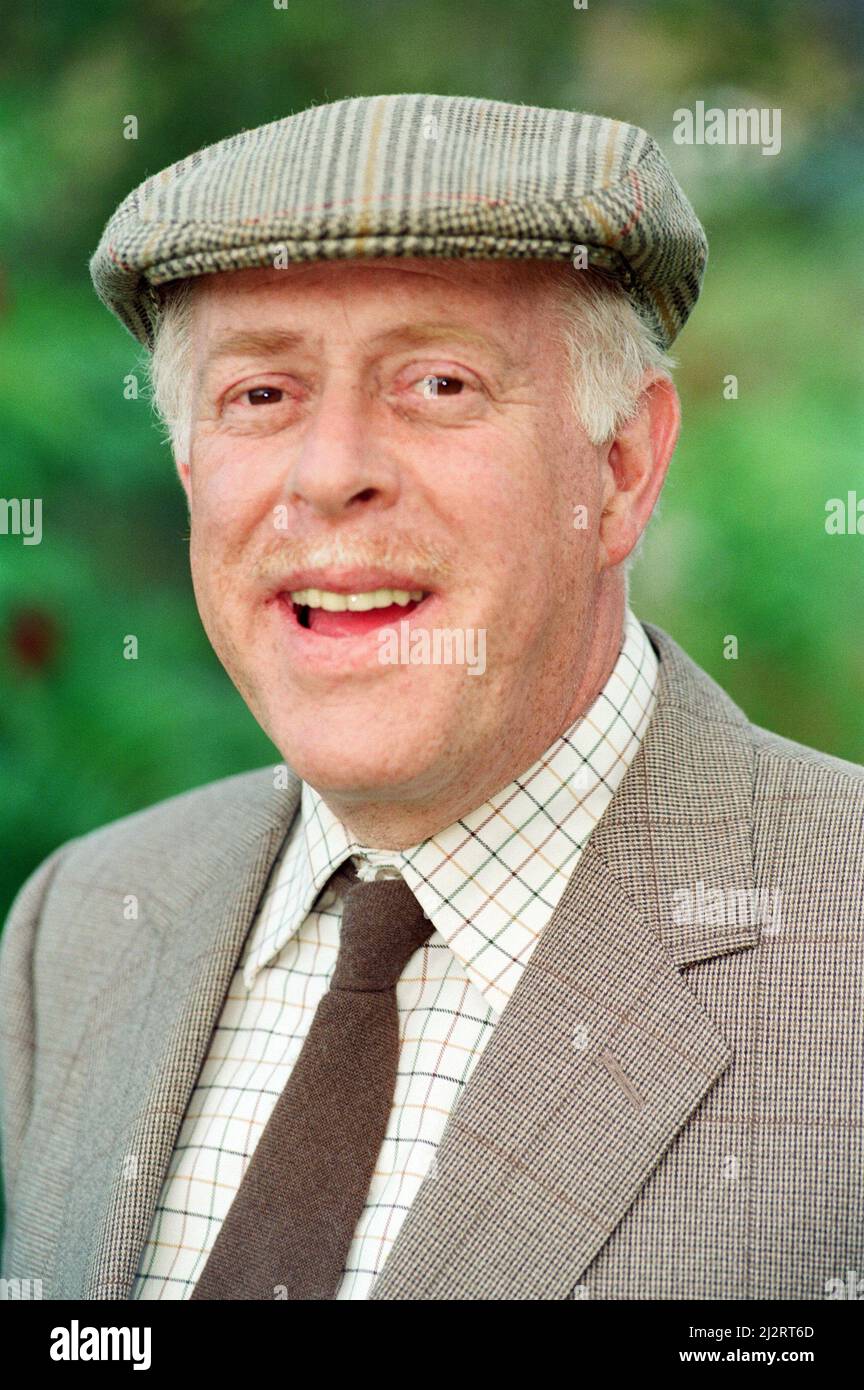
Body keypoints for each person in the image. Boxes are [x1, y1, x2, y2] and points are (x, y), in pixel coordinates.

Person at [1, 93, 861, 1301]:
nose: (334, 471)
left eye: (440, 384)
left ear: (622, 467)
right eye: (261, 395)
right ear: (192, 465)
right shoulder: (79, 925)